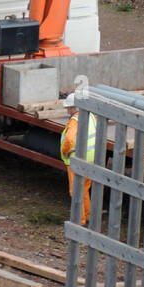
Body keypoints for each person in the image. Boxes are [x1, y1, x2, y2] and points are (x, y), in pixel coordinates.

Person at [60, 93, 95, 224]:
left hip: (76, 160)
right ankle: (88, 215)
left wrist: (65, 151)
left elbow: (69, 139)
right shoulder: (91, 117)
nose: (67, 111)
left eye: (68, 108)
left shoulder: (75, 121)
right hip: (90, 159)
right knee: (85, 188)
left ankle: (79, 220)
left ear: (74, 108)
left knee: (75, 191)